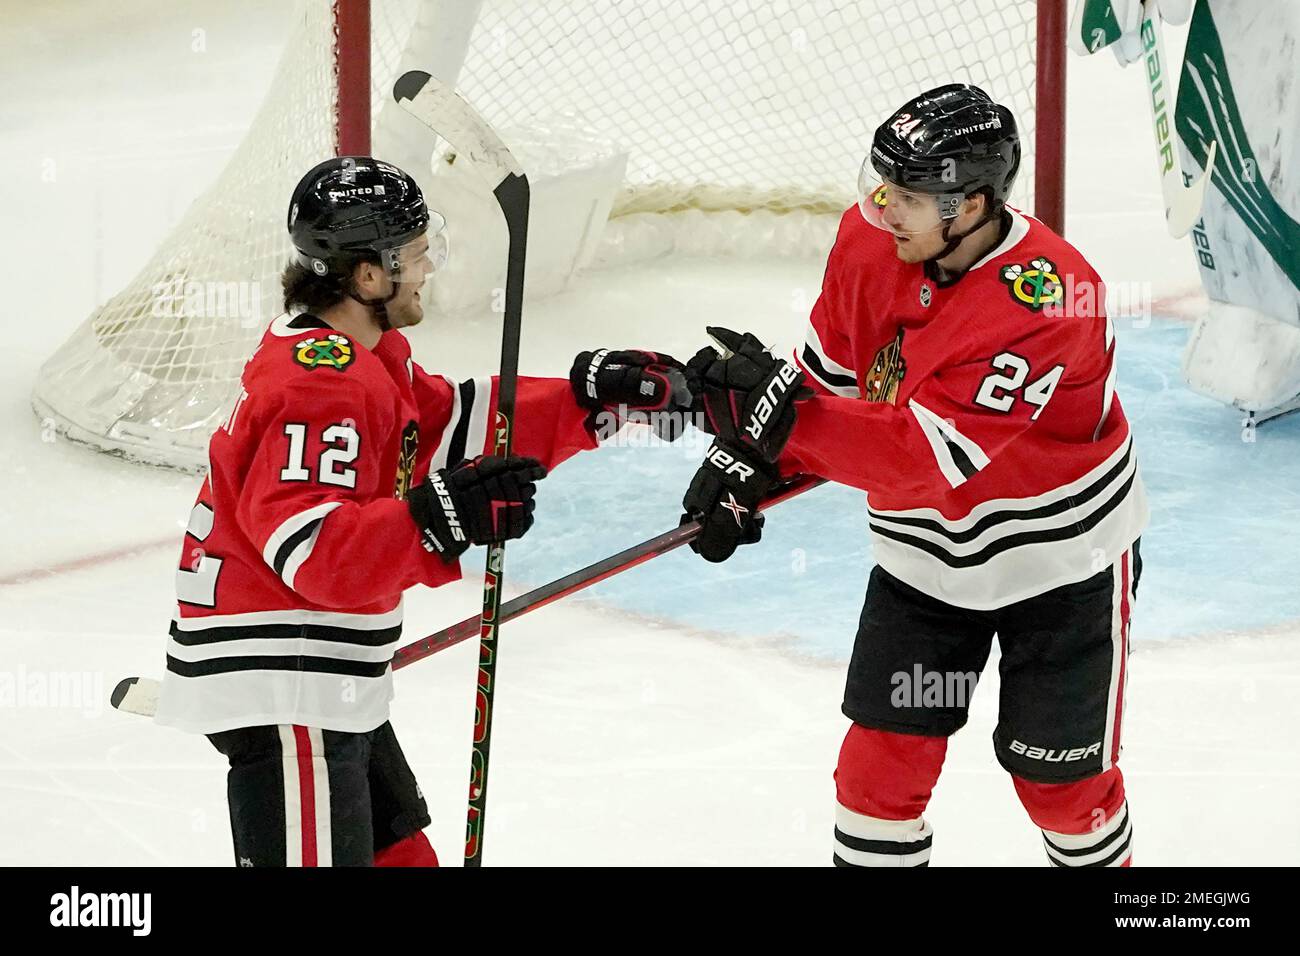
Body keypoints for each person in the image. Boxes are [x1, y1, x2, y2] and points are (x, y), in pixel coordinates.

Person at [154, 156, 691, 866]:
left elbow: (449, 427)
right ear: (369, 276)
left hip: (322, 678)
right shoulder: (323, 385)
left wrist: (593, 401)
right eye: (414, 252)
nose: (428, 265)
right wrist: (442, 515)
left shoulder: (362, 357)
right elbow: (314, 552)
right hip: (285, 686)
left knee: (400, 854)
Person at [681, 85, 1149, 866]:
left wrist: (784, 426)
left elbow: (923, 458)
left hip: (1061, 570)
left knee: (1062, 793)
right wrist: (752, 465)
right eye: (884, 184)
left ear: (968, 207)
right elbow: (826, 385)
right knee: (878, 780)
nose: (883, 207)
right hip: (925, 565)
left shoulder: (1054, 297)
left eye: (907, 196)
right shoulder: (869, 239)